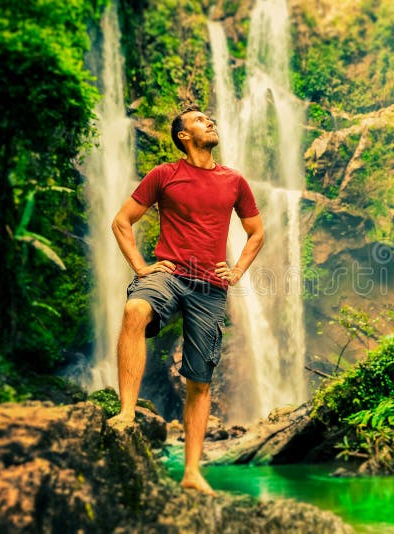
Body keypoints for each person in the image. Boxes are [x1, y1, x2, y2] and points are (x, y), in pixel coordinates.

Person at [108, 103, 264, 496]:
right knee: (134, 309)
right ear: (183, 136)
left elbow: (256, 232)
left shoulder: (235, 180)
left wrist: (239, 269)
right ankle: (127, 411)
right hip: (169, 273)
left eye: (209, 119)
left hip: (211, 286)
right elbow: (121, 220)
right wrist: (141, 267)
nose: (209, 122)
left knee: (199, 381)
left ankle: (192, 471)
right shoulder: (164, 175)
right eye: (199, 120)